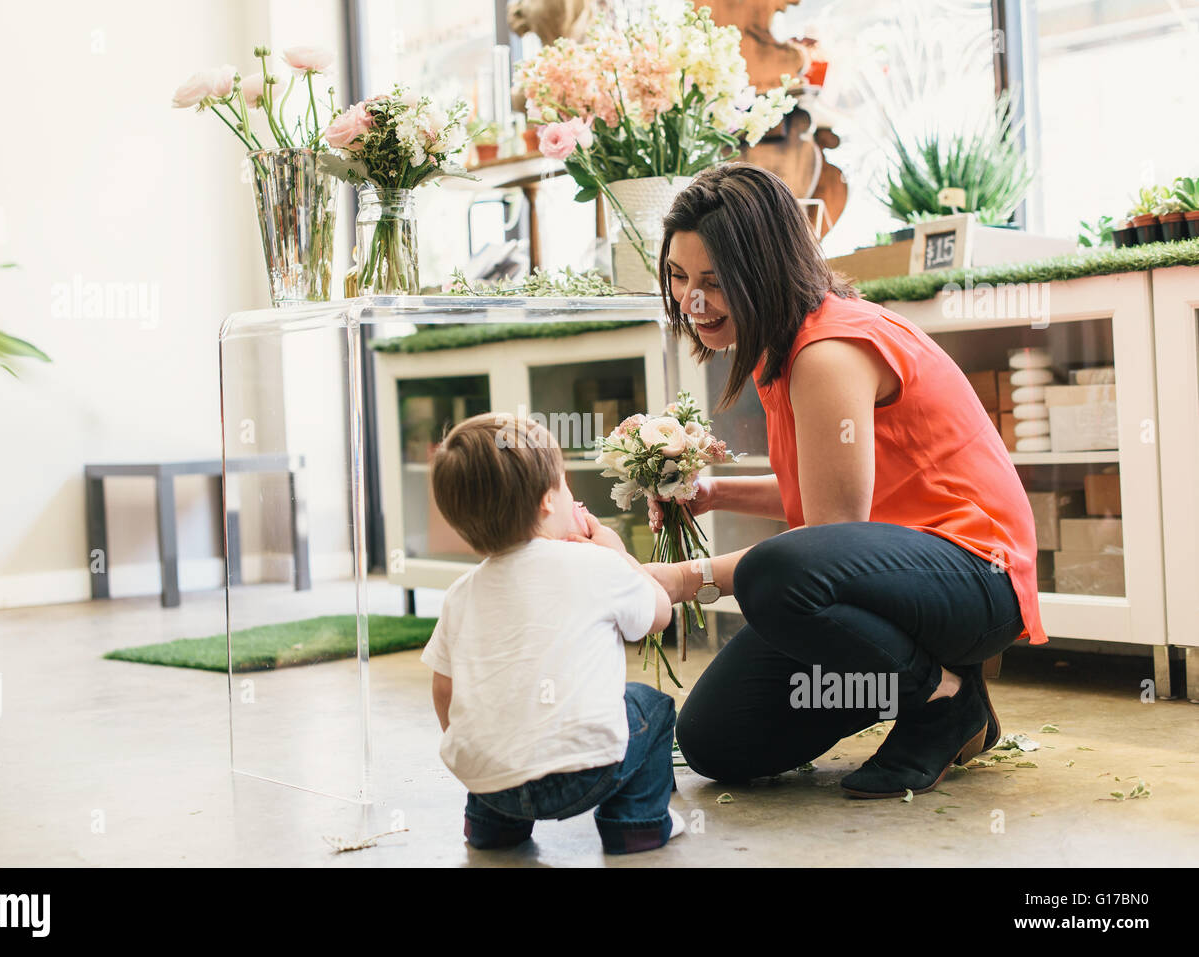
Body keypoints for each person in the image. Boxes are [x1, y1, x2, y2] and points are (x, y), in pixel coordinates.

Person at [641, 162, 1047, 798]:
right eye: (679, 277)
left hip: (976, 576)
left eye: (715, 282)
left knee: (774, 575)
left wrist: (684, 579)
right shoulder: (780, 348)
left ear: (763, 271)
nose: (693, 301)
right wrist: (714, 493)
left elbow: (829, 535)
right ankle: (924, 678)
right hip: (896, 576)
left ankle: (943, 700)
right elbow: (830, 505)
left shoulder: (827, 352)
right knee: (718, 741)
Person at [422, 412, 686, 852]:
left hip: (491, 782)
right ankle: (635, 822)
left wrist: (481, 746)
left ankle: (491, 826)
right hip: (585, 775)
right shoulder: (596, 564)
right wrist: (617, 553)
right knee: (654, 707)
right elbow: (658, 616)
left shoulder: (459, 594)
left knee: (494, 727)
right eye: (564, 484)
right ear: (548, 500)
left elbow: (444, 691)